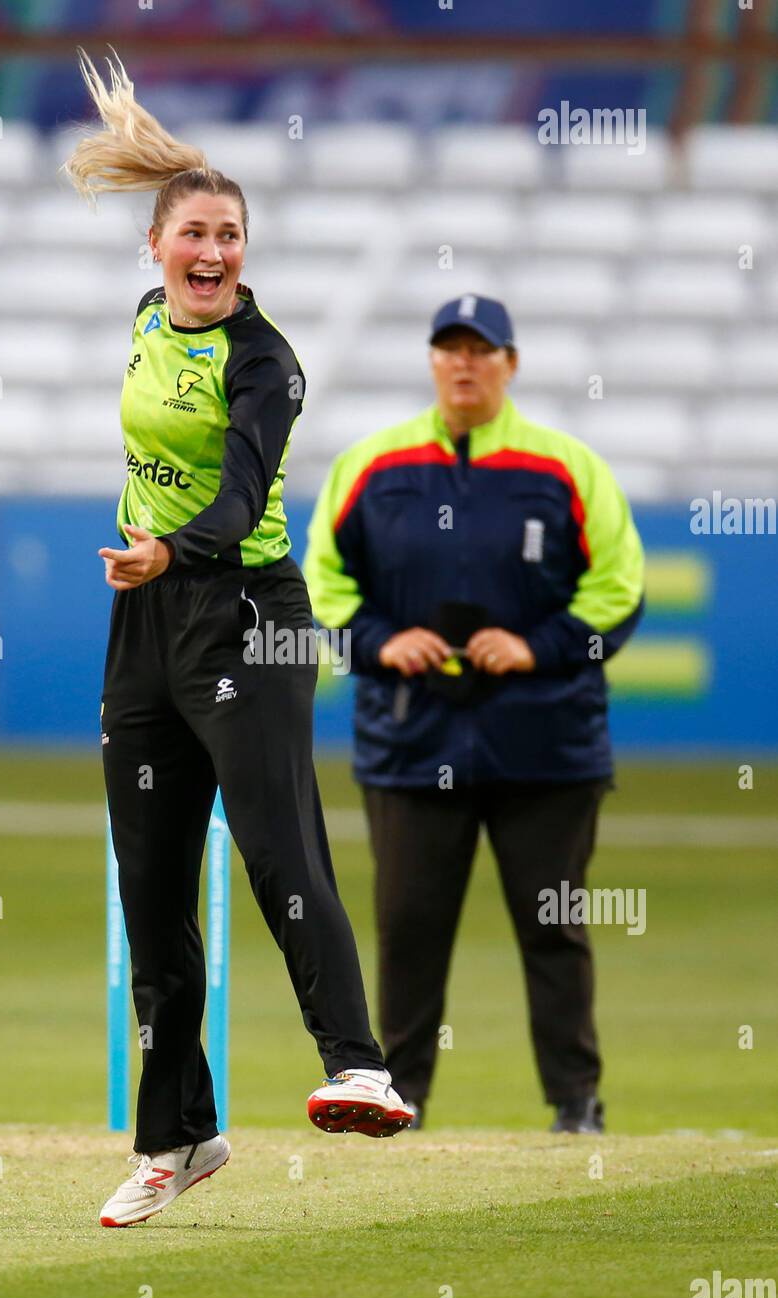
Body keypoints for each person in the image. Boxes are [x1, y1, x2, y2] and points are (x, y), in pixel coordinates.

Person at [63, 52, 412, 1228]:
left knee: (276, 847)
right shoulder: (146, 319)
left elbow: (238, 491)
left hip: (249, 611)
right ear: (156, 249)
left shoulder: (267, 362)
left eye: (230, 237)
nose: (213, 254)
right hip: (144, 623)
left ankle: (358, 1062)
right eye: (194, 234)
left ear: (245, 253)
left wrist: (170, 549)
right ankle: (177, 1137)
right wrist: (148, 569)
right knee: (150, 893)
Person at [304, 294, 645, 1135]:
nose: (465, 363)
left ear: (511, 363)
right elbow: (319, 583)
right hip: (412, 743)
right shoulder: (371, 468)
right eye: (449, 349)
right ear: (431, 362)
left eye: (482, 350)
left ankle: (577, 1106)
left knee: (555, 932)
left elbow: (620, 587)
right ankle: (397, 1103)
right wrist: (384, 641)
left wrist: (539, 645)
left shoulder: (568, 467)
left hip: (546, 746)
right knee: (409, 934)